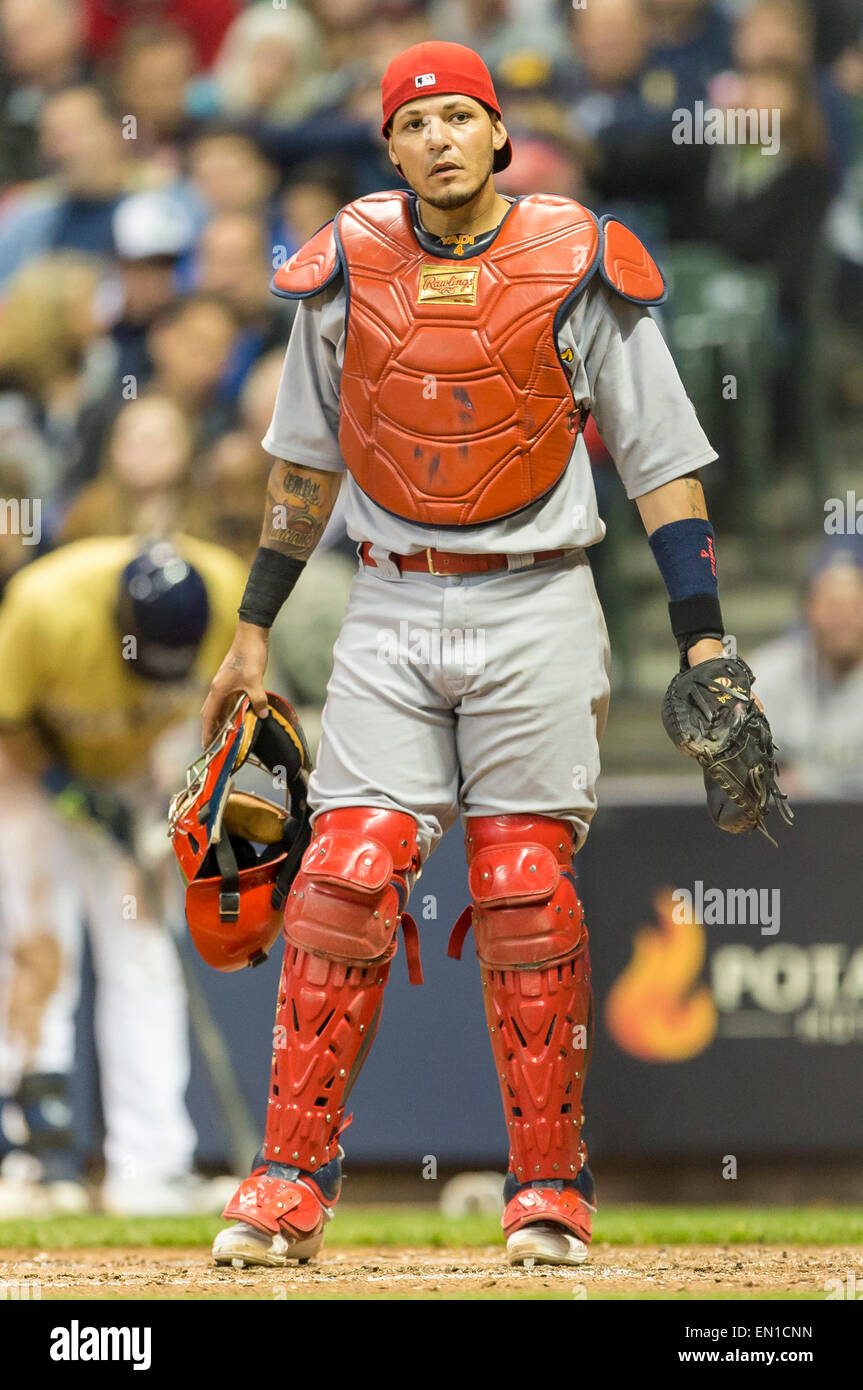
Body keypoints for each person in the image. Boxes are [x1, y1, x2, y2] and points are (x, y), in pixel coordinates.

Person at [200, 40, 770, 1270]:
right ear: (389, 145)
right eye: (418, 123)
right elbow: (305, 466)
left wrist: (703, 638)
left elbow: (661, 463)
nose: (442, 139)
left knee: (522, 886)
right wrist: (253, 624)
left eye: (464, 117)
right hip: (390, 599)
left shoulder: (578, 258)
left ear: (500, 134)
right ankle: (288, 1178)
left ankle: (546, 1190)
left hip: (538, 599)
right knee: (345, 874)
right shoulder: (343, 265)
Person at [0, 535, 248, 1214]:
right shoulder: (44, 606)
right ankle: (35, 1162)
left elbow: (236, 709)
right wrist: (71, 792)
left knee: (145, 953)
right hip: (33, 775)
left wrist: (177, 789)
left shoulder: (231, 591)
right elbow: (7, 722)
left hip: (146, 776)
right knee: (41, 952)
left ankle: (151, 1166)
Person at [750, 539, 863, 797]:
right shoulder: (769, 673)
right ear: (808, 610)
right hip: (793, 829)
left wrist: (811, 782)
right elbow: (747, 773)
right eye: (832, 607)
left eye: (854, 607)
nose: (842, 620)